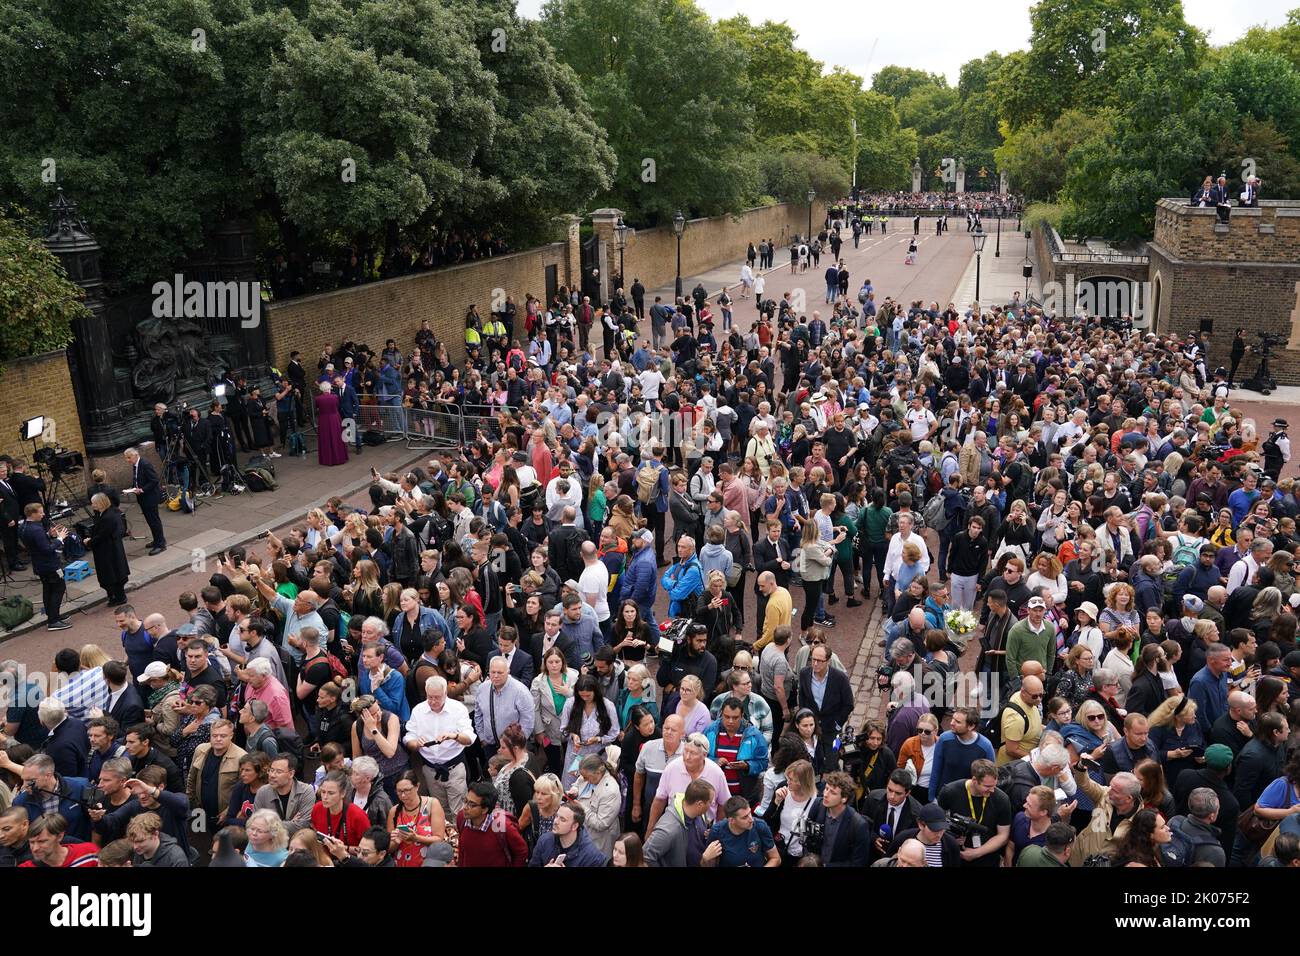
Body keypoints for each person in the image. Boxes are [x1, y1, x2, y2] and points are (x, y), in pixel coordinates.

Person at [404, 675, 475, 816]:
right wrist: (416, 744)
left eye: (437, 697)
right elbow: (408, 737)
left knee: (460, 811)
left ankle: (460, 837)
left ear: (445, 694)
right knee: (440, 810)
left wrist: (454, 736)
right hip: (430, 769)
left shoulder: (458, 709)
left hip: (454, 768)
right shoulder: (418, 710)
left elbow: (470, 738)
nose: (433, 701)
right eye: (430, 697)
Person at [644, 778, 715, 867]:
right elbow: (646, 856)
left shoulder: (700, 814)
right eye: (710, 802)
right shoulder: (668, 830)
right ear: (700, 804)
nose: (712, 804)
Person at [455, 780, 528, 867]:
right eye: (465, 801)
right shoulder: (461, 818)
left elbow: (521, 851)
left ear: (485, 809)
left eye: (472, 804)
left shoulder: (501, 825)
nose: (465, 807)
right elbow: (462, 850)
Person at [703, 795, 780, 868]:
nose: (751, 819)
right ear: (731, 820)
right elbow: (708, 863)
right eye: (745, 817)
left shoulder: (760, 826)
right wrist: (706, 859)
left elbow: (776, 858)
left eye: (750, 813)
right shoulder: (717, 832)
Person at [528, 802, 608, 867]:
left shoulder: (591, 856)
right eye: (556, 816)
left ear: (574, 826)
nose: (555, 821)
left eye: (562, 819)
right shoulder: (545, 840)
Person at [84, 493, 129, 605]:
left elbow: (102, 536)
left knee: (112, 576)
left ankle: (118, 597)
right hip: (113, 549)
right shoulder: (111, 512)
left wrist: (89, 542)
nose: (92, 505)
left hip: (108, 552)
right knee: (116, 574)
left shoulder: (107, 517)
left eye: (94, 503)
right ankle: (116, 596)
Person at [124, 446, 166, 554]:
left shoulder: (145, 464)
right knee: (150, 521)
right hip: (143, 498)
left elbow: (154, 480)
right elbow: (137, 479)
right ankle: (157, 540)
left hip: (150, 498)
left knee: (154, 521)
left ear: (135, 455)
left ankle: (161, 544)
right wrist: (133, 488)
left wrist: (142, 490)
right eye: (126, 458)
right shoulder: (135, 465)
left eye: (129, 458)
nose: (127, 460)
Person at [315, 381, 350, 466]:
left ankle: (327, 459)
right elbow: (337, 406)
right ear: (329, 389)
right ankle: (339, 457)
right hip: (334, 419)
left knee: (325, 439)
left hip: (323, 420)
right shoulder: (335, 397)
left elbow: (317, 408)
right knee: (336, 437)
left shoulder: (318, 398)